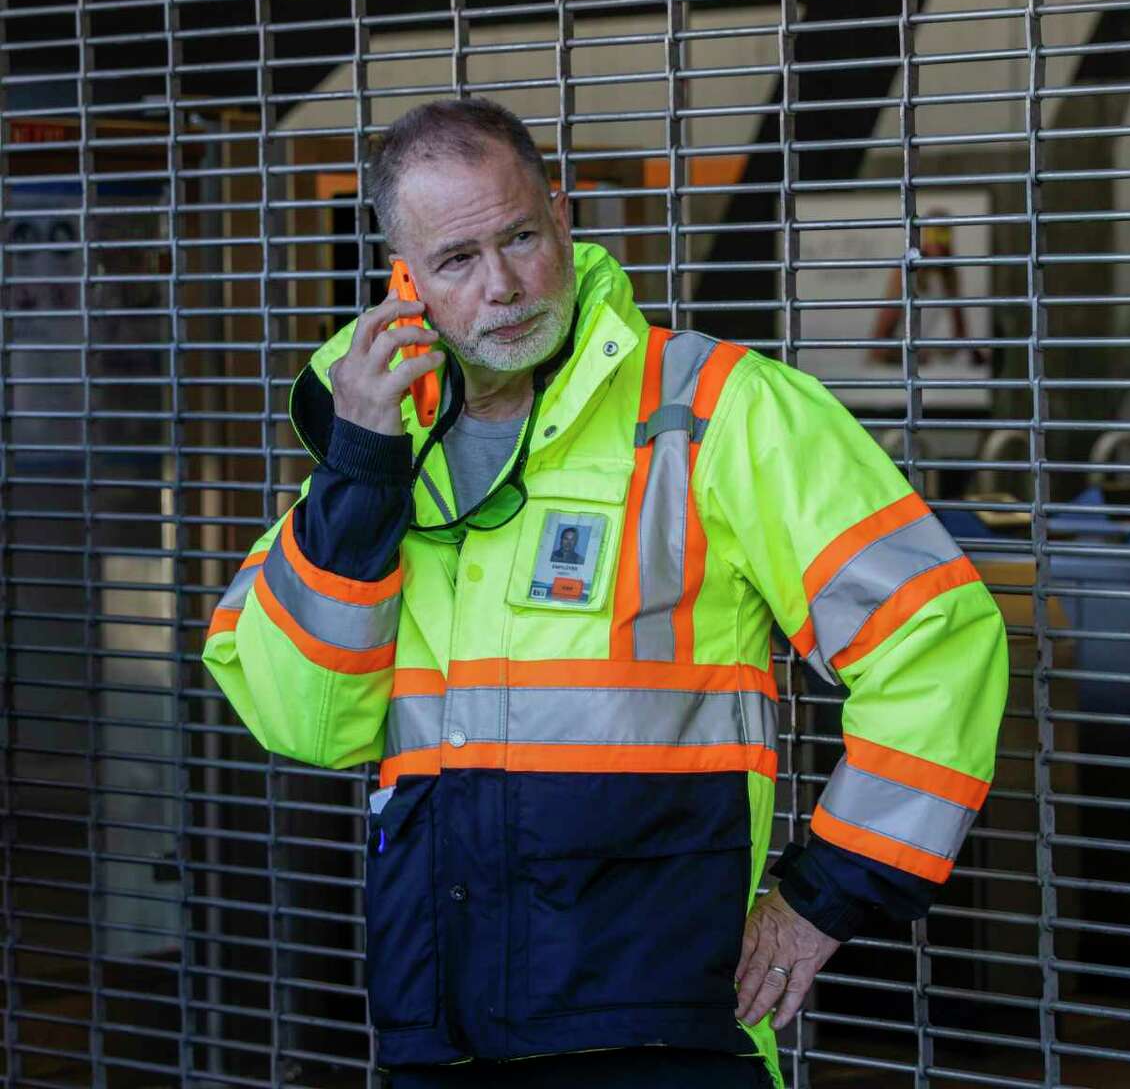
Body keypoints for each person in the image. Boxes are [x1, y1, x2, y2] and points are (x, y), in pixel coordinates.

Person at [202, 98, 1009, 1087]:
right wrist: (359, 478)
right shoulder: (376, 446)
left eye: (521, 237)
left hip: (660, 1031)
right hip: (440, 1026)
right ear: (403, 282)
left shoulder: (716, 406)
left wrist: (830, 890)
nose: (502, 285)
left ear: (564, 219)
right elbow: (307, 723)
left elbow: (935, 629)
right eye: (457, 260)